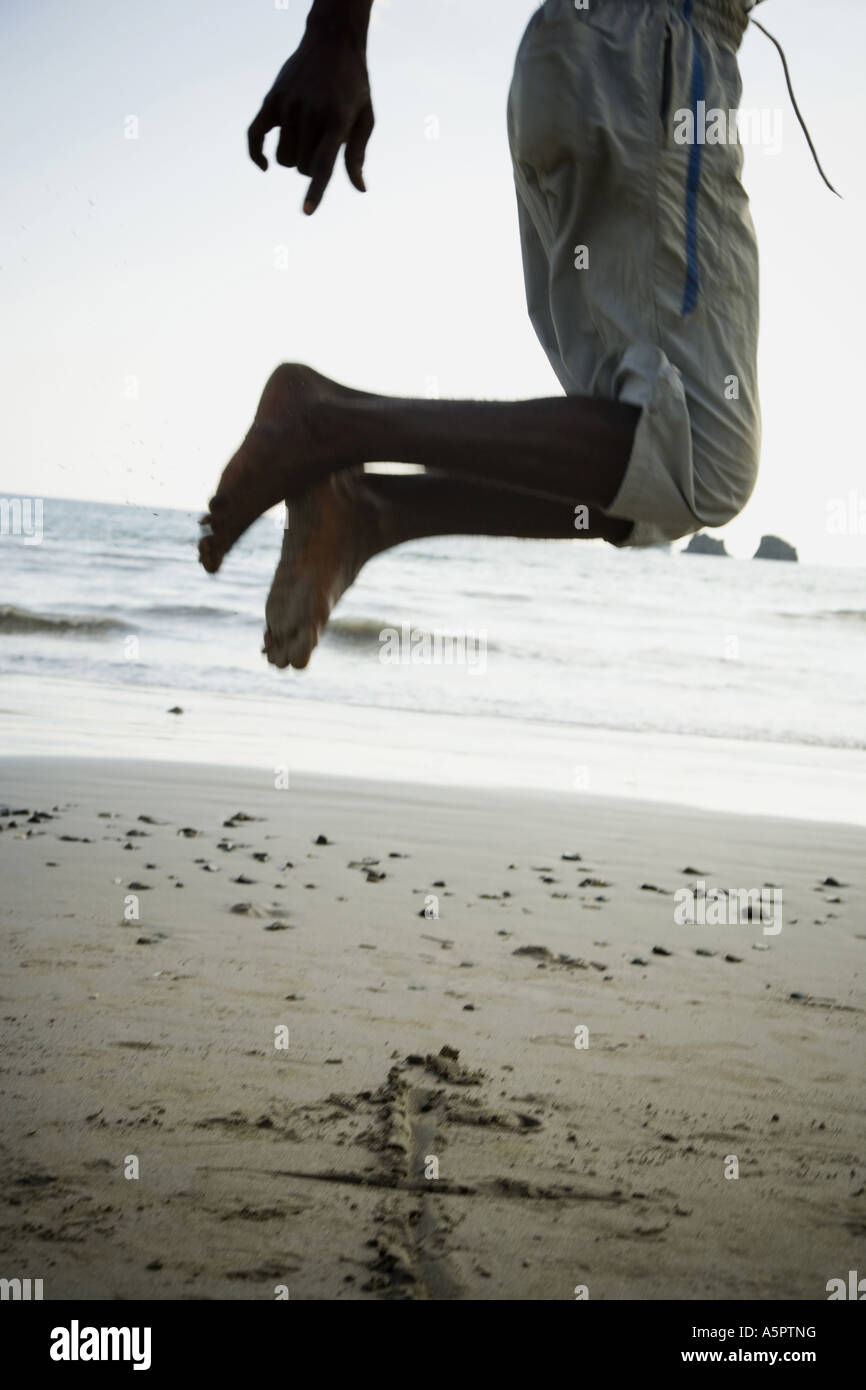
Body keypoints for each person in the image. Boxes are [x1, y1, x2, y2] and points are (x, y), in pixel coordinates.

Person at [199, 0, 762, 671]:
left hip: (609, 63)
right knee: (700, 458)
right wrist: (335, 29)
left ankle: (374, 509)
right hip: (654, 60)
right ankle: (327, 426)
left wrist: (338, 34)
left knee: (631, 459)